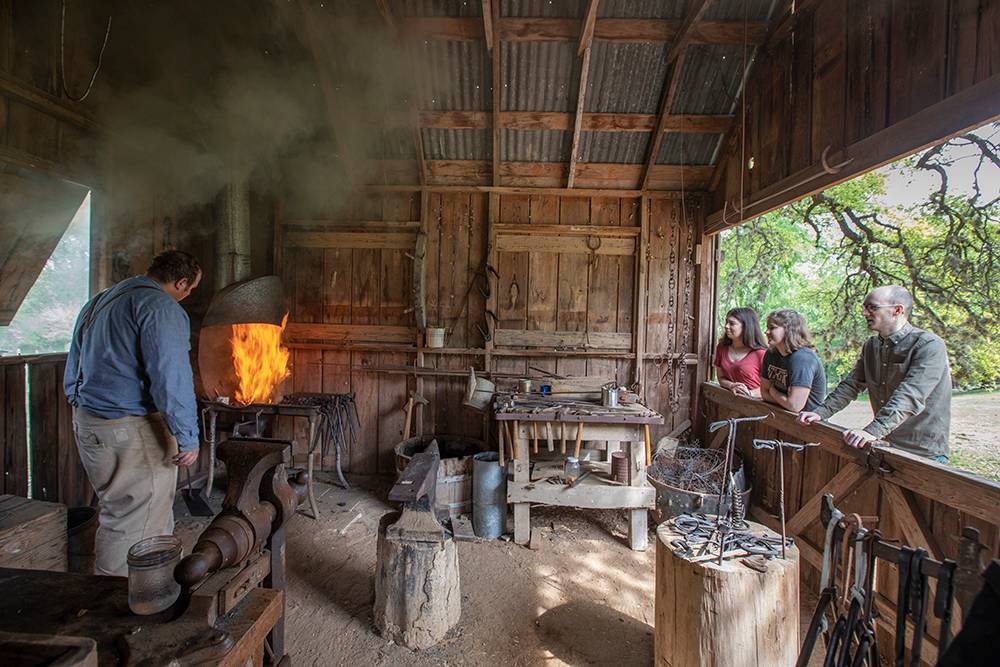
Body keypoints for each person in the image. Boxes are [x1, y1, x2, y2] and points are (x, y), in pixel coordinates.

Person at [64, 250, 202, 575]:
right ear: (180, 282)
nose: (188, 295)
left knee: (118, 510)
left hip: (88, 422)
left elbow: (75, 363)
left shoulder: (100, 301)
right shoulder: (159, 307)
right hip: (130, 429)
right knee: (135, 522)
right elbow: (171, 378)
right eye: (191, 289)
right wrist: (187, 436)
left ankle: (150, 587)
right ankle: (118, 602)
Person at [797, 286, 952, 461]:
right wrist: (821, 412)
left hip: (924, 453)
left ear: (897, 310)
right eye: (864, 307)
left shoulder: (929, 345)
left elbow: (910, 395)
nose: (865, 313)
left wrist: (872, 431)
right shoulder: (871, 346)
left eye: (872, 307)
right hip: (886, 446)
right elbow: (852, 385)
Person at [759, 308, 827, 412]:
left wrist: (772, 391)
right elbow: (764, 393)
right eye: (767, 327)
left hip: (807, 423)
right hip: (781, 416)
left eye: (772, 328)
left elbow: (795, 406)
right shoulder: (771, 353)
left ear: (788, 330)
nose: (766, 332)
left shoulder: (803, 358)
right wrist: (784, 400)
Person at [714, 307, 768, 397]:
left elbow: (770, 388)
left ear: (746, 326)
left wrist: (750, 393)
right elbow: (721, 377)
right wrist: (731, 385)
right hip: (730, 402)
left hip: (757, 404)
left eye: (732, 323)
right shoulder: (721, 348)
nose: (726, 326)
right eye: (726, 322)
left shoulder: (761, 353)